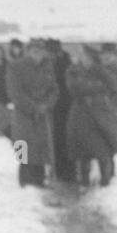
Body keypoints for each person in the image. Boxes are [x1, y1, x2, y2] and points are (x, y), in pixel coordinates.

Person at [65, 45, 117, 186]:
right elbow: (76, 89)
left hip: (100, 117)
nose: (83, 59)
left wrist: (106, 102)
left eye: (87, 57)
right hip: (80, 116)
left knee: (103, 151)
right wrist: (99, 88)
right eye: (81, 56)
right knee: (82, 152)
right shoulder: (74, 70)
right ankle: (84, 182)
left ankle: (105, 181)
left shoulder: (100, 70)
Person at [5, 37, 59, 187]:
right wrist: (33, 107)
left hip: (42, 115)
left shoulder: (47, 67)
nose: (38, 54)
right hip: (23, 115)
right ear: (28, 51)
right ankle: (25, 183)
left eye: (40, 51)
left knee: (41, 149)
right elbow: (14, 93)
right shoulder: (15, 66)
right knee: (23, 148)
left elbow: (54, 90)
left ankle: (39, 180)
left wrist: (46, 105)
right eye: (34, 50)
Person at [46, 40, 74, 182]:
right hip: (52, 106)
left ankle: (64, 170)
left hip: (63, 105)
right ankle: (56, 169)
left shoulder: (65, 63)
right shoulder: (48, 63)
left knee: (62, 138)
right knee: (54, 139)